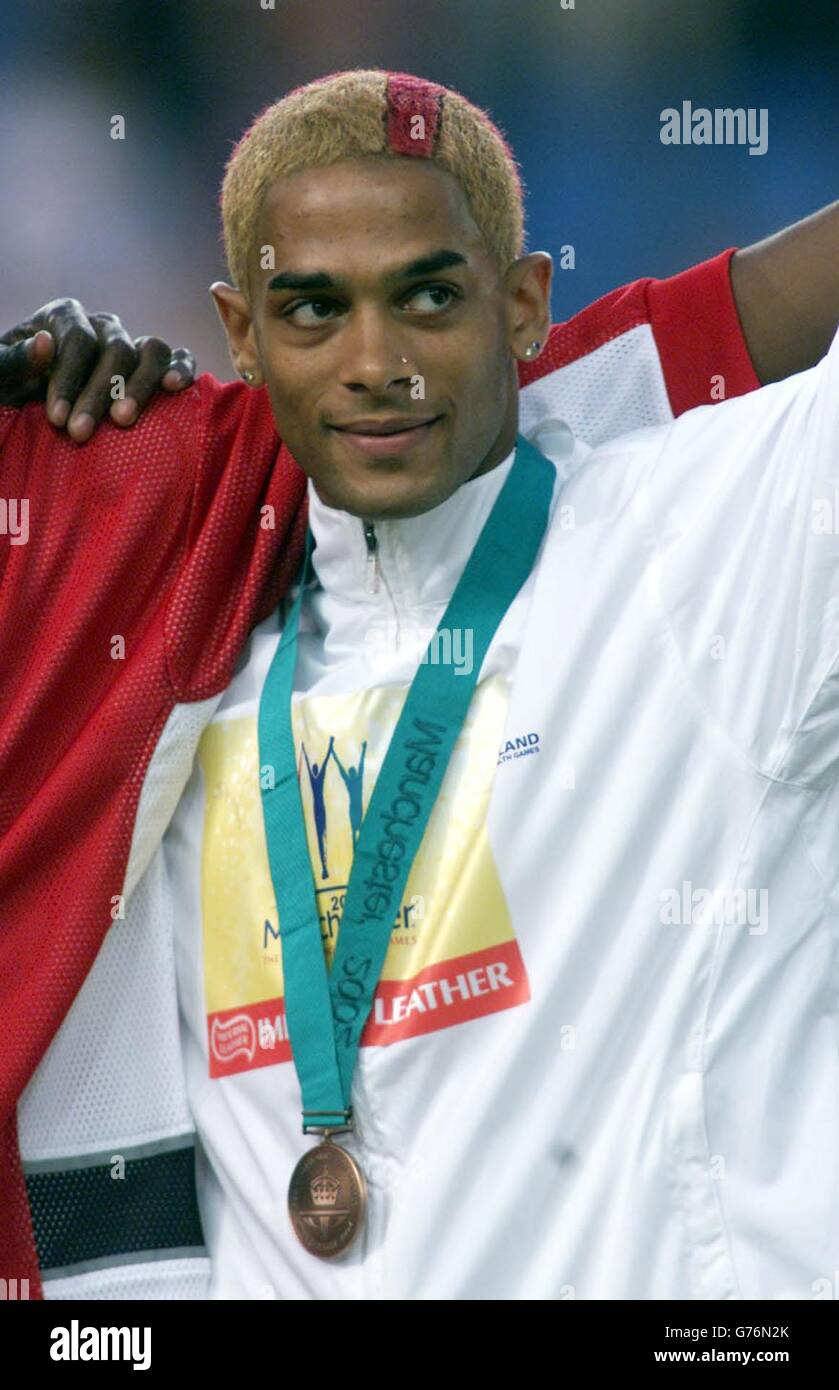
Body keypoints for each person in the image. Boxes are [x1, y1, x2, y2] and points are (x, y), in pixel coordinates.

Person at [1, 67, 838, 1301]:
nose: (375, 362)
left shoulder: (712, 544)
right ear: (240, 336)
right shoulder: (186, 691)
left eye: (428, 297)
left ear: (521, 306)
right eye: (313, 311)